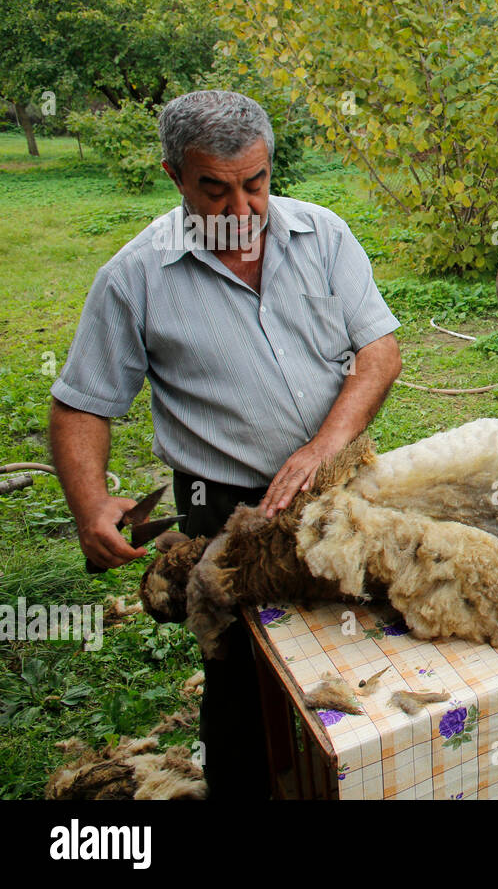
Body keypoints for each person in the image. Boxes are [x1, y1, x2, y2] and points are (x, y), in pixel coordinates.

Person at [48, 89, 403, 799]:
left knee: (364, 646)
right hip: (228, 511)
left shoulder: (323, 235)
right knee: (244, 675)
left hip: (342, 491)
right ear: (175, 175)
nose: (242, 211)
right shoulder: (135, 277)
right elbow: (79, 405)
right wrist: (90, 503)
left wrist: (323, 447)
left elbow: (380, 353)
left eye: (256, 184)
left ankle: (349, 777)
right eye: (215, 191)